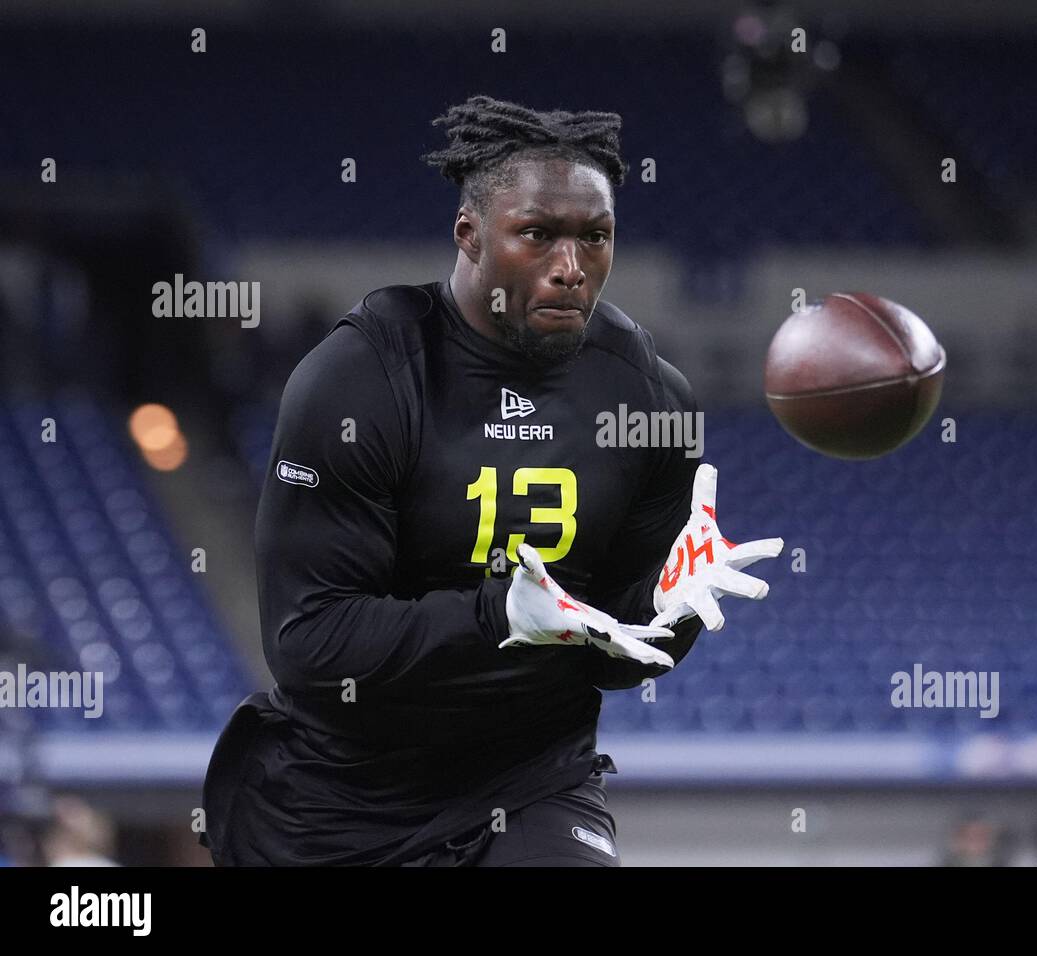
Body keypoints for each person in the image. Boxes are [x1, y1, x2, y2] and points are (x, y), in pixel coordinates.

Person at [200, 94, 783, 866]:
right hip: (342, 797)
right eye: (537, 235)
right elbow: (309, 646)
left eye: (595, 237)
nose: (571, 268)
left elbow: (619, 656)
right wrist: (497, 616)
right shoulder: (360, 379)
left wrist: (667, 610)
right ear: (469, 235)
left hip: (531, 781)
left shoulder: (648, 397)